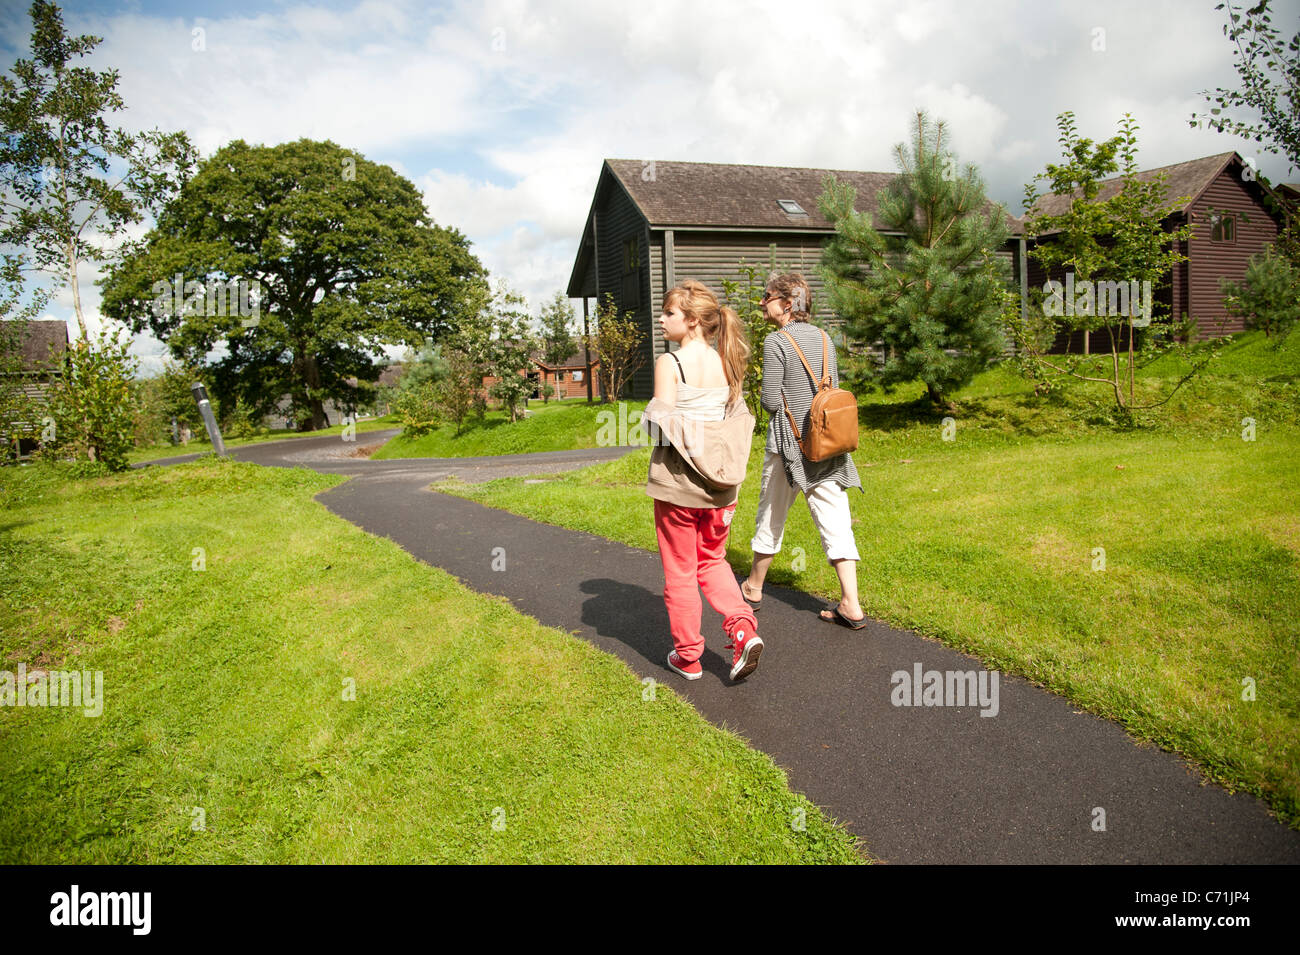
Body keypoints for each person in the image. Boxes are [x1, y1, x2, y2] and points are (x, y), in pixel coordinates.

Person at [642, 279, 762, 681]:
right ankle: (743, 630)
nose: (661, 319)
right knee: (712, 562)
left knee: (680, 570)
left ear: (691, 321)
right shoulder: (727, 361)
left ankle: (689, 657)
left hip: (679, 487)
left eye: (669, 313)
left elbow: (661, 430)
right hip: (723, 489)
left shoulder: (669, 363)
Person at [739, 272, 867, 629]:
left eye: (767, 297)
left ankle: (753, 587)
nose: (762, 303)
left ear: (787, 303)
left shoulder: (776, 342)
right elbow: (832, 393)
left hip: (788, 445)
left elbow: (769, 402)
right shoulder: (826, 338)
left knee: (771, 513)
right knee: (835, 518)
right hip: (827, 446)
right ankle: (851, 603)